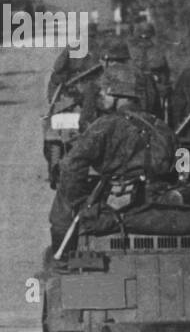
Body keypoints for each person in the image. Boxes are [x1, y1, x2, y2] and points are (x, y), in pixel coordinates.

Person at [48, 66, 179, 246]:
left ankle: (62, 261)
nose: (101, 96)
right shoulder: (161, 126)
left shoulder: (104, 125)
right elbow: (181, 165)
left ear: (115, 95)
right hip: (156, 202)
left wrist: (79, 201)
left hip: (115, 203)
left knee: (63, 203)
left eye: (105, 92)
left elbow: (72, 164)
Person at [80, 35, 163, 123]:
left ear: (106, 60)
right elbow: (157, 114)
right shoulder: (147, 77)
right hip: (143, 128)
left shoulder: (96, 83)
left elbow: (86, 122)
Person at [129, 20, 171, 120]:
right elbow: (165, 75)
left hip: (134, 91)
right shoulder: (158, 51)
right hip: (154, 93)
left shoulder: (131, 51)